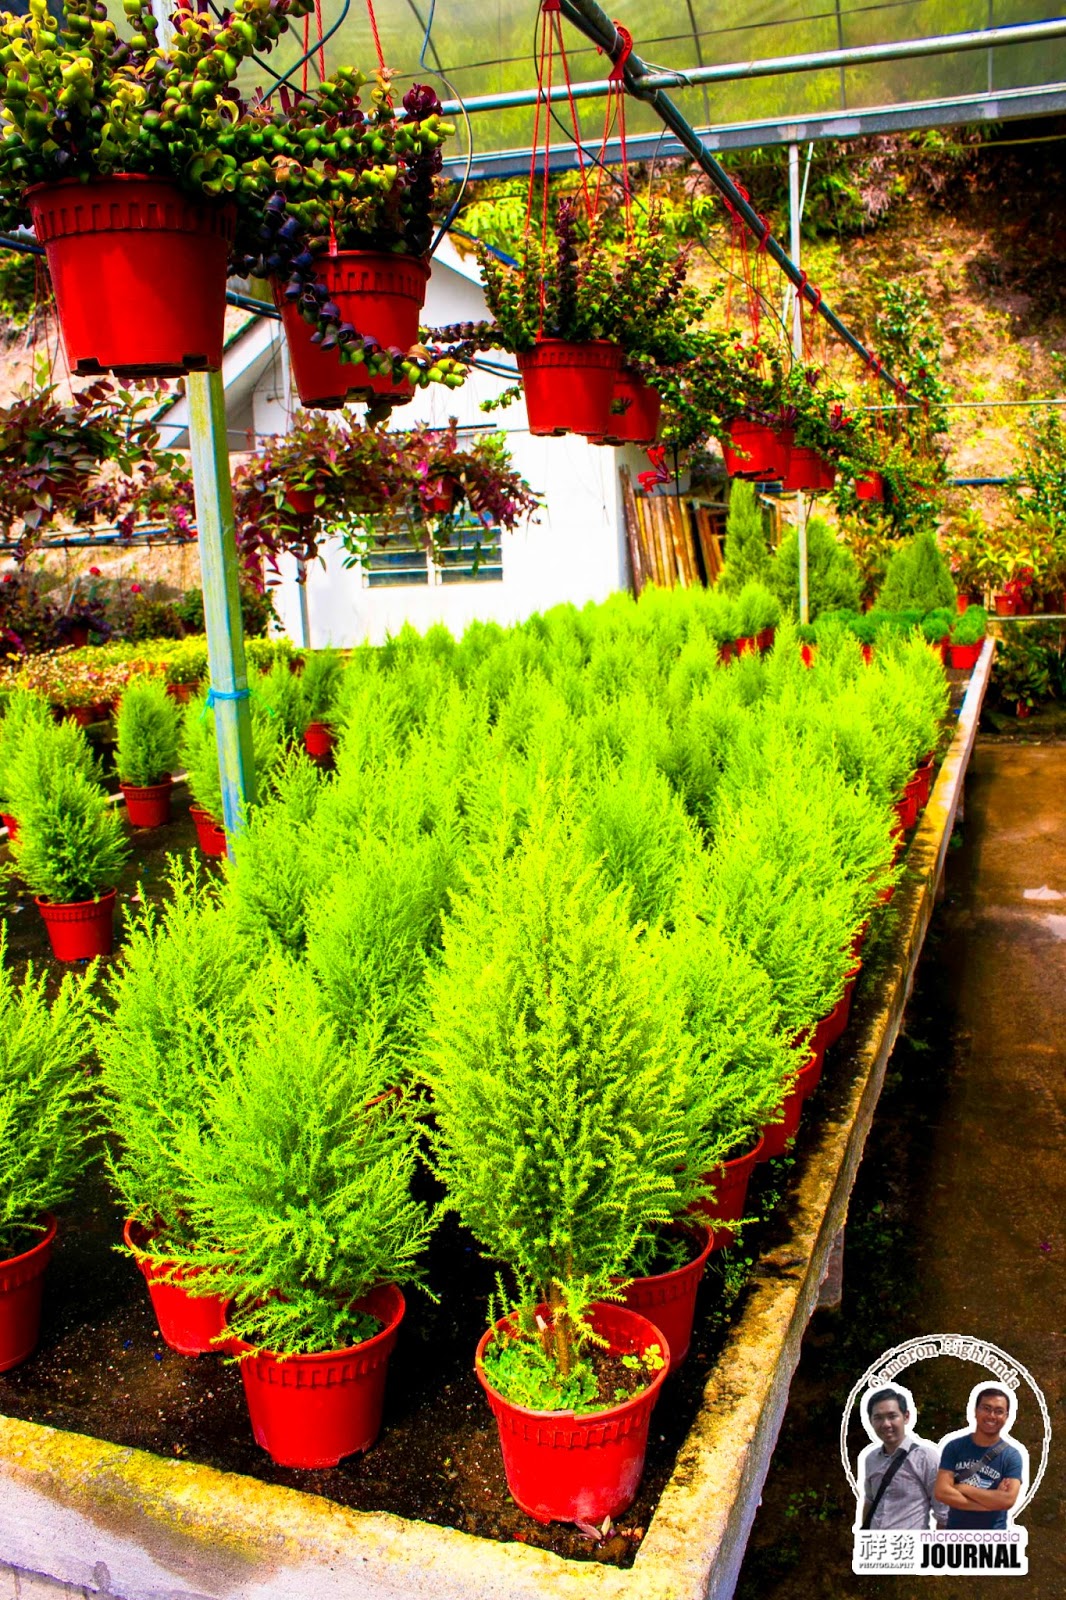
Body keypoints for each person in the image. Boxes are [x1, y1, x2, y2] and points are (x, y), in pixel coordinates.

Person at [934, 1388, 1024, 1530]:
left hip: (993, 1542)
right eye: (986, 1408)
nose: (992, 1415)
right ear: (975, 1411)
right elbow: (941, 1492)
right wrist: (989, 1504)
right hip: (955, 1538)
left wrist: (962, 1488)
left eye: (999, 1411)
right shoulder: (954, 1447)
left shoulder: (1011, 1456)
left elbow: (1007, 1500)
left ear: (1006, 1417)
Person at [859, 1388, 939, 1531]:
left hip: (910, 1549)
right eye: (878, 1418)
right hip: (877, 1548)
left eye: (892, 1416)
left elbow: (944, 1513)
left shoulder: (925, 1458)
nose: (886, 1424)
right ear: (870, 1421)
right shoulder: (871, 1459)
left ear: (906, 1417)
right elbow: (870, 1501)